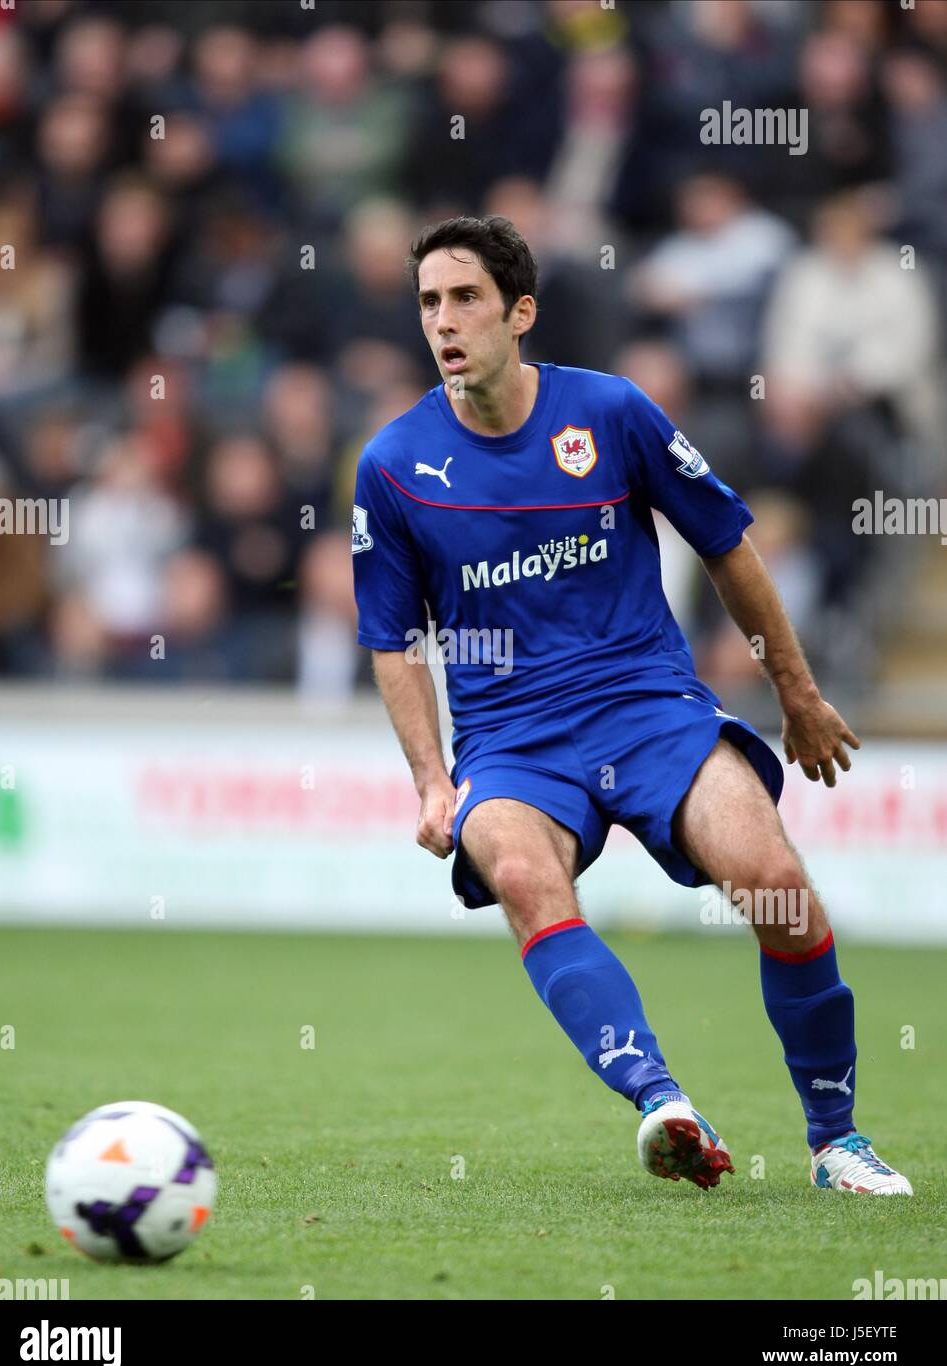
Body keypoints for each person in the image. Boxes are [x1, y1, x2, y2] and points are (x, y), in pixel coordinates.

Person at [351, 215, 911, 1196]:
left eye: (465, 298)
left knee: (775, 885)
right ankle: (664, 1103)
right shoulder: (393, 466)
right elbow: (391, 640)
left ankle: (836, 1142)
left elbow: (726, 543)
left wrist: (795, 687)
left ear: (518, 311)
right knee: (524, 877)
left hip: (646, 706)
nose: (443, 321)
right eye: (429, 302)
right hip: (510, 739)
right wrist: (432, 781)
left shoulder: (609, 413)